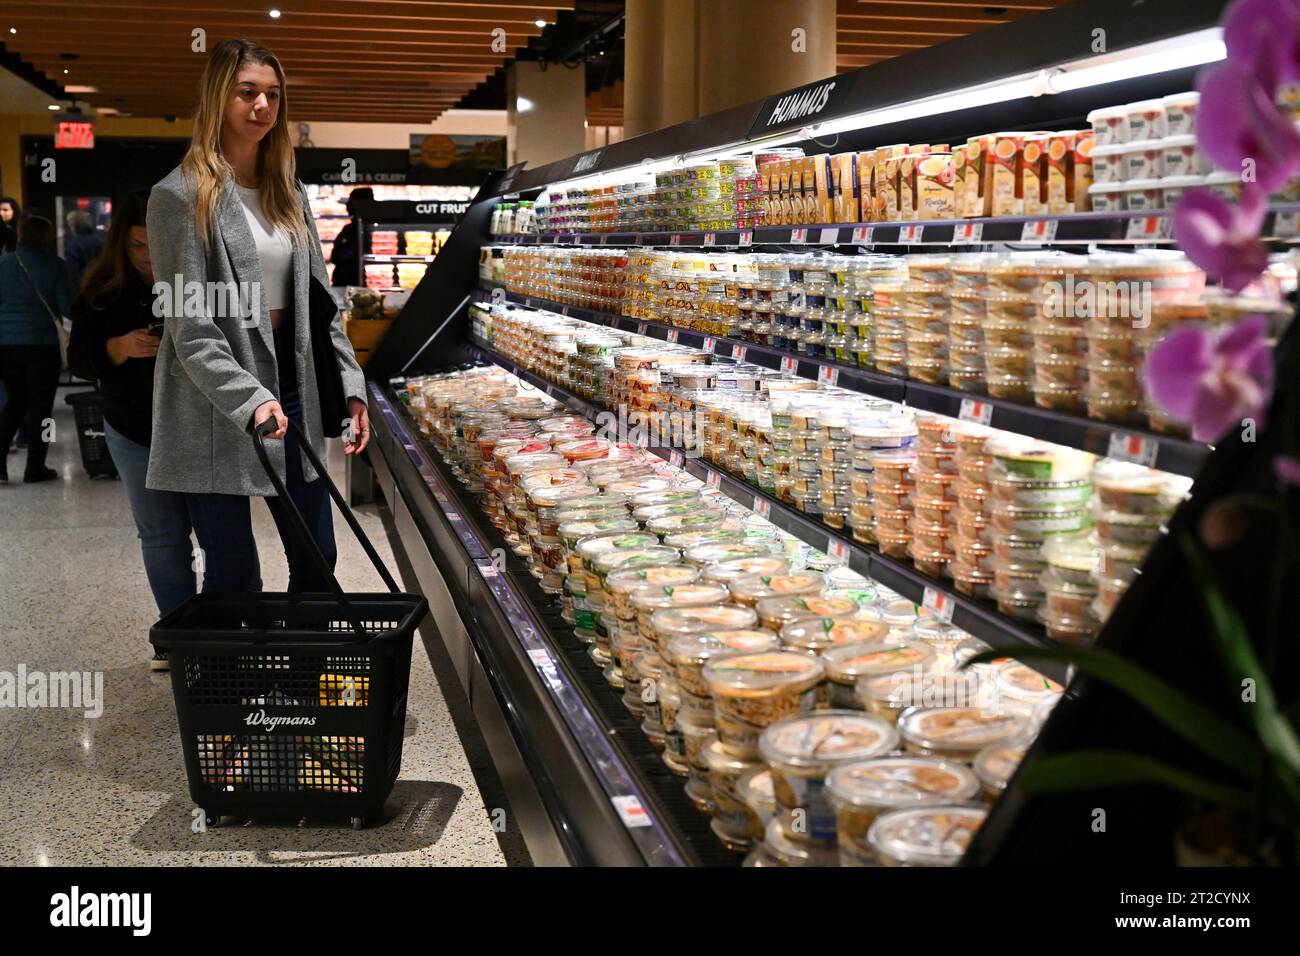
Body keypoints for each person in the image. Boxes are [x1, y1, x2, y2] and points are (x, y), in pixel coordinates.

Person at [146, 37, 370, 599]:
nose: (262, 107)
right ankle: (236, 681)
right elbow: (190, 328)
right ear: (219, 97)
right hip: (215, 400)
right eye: (247, 93)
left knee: (318, 550)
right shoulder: (180, 197)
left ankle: (307, 673)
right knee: (232, 564)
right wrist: (250, 397)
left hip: (294, 389)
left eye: (272, 95)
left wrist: (351, 385)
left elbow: (321, 306)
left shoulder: (286, 193)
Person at [68, 189, 194, 669]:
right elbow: (78, 357)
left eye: (155, 246)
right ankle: (176, 634)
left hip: (199, 426)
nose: (146, 258)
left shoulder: (200, 281)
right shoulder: (103, 290)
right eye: (137, 247)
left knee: (217, 532)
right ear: (121, 242)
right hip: (133, 424)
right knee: (162, 534)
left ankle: (220, 633)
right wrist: (117, 348)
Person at [0, 213, 74, 483]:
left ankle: (0, 466)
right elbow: (67, 308)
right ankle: (35, 467)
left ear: (20, 234)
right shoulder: (56, 266)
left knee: (14, 403)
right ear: (46, 237)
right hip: (42, 347)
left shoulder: (3, 264)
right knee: (41, 407)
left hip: (5, 345)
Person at [328, 186, 372, 287]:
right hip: (348, 282)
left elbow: (337, 256)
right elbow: (336, 256)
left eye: (351, 202)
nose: (347, 206)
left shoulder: (353, 229)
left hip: (351, 283)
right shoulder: (350, 228)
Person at [64, 208, 107, 291]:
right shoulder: (100, 240)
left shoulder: (73, 244)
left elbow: (73, 272)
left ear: (73, 225)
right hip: (101, 286)